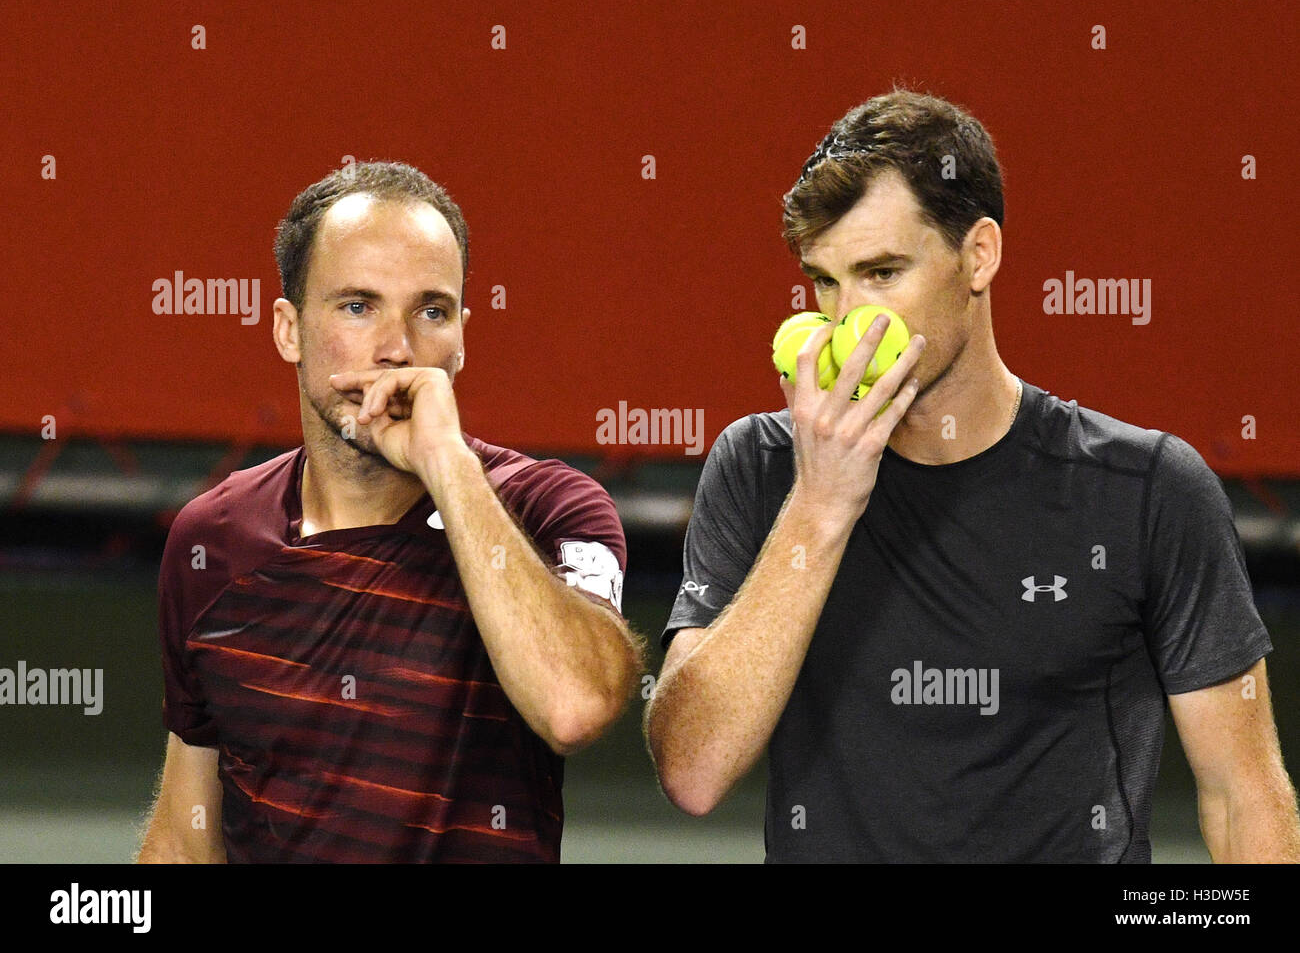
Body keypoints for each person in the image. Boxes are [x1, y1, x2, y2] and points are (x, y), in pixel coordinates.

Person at [645, 89, 1300, 862]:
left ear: (978, 255)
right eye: (826, 282)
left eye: (882, 272)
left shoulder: (1148, 488)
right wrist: (820, 508)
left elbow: (1242, 796)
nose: (848, 320)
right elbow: (691, 772)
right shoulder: (759, 468)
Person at [138, 161, 643, 863]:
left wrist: (447, 465)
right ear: (288, 330)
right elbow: (186, 842)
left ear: (462, 337)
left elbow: (574, 707)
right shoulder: (211, 542)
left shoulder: (550, 508)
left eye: (430, 311)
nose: (397, 349)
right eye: (357, 306)